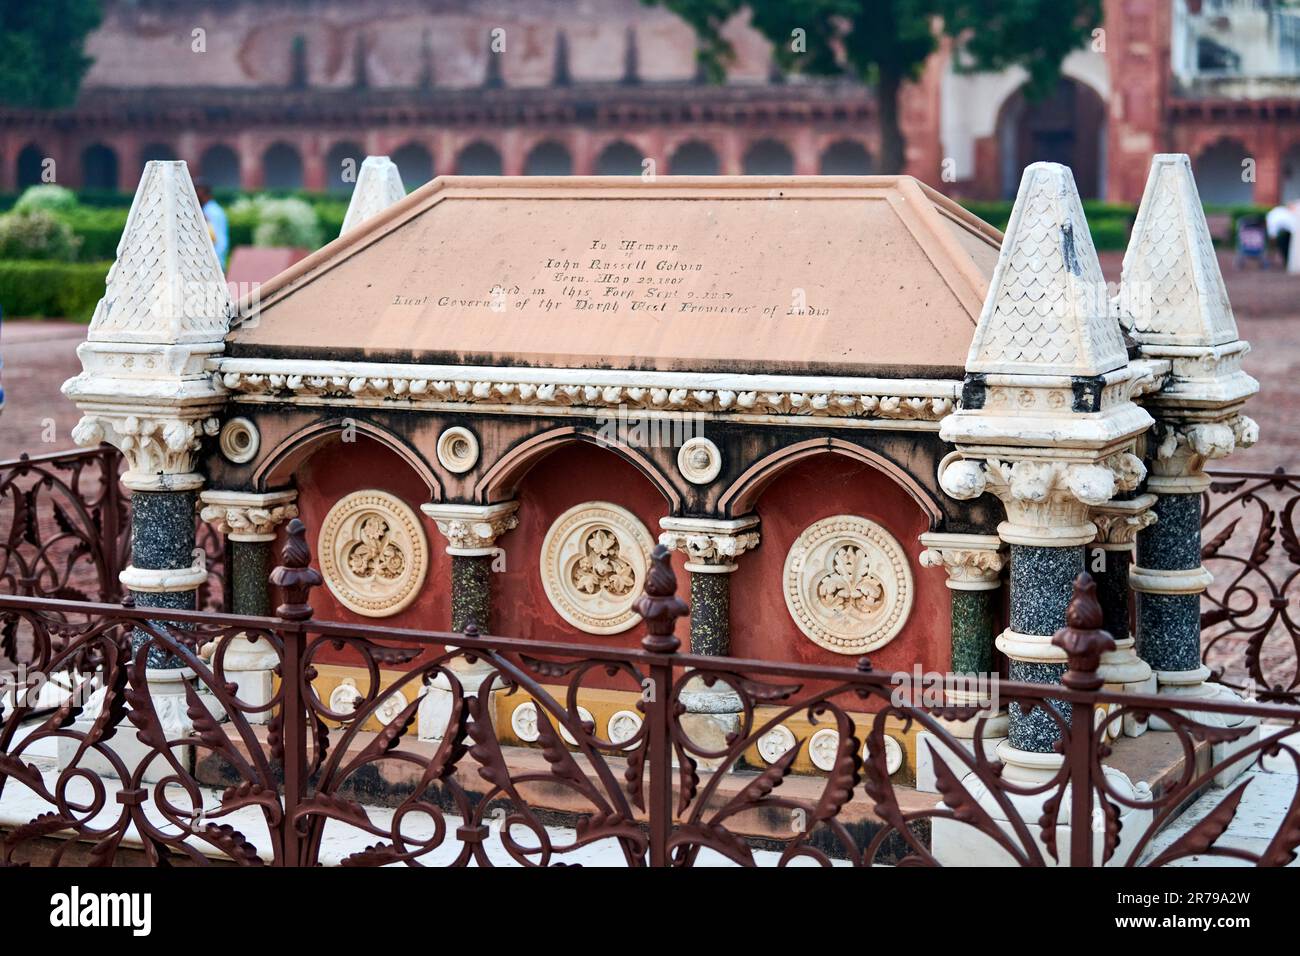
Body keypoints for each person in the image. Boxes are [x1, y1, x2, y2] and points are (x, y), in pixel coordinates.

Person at [194, 178, 229, 268]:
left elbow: (220, 241)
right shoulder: (206, 210)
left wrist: (214, 263)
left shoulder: (213, 212)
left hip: (213, 266)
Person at [1266, 202, 1295, 270]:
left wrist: (1271, 252)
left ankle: (1288, 263)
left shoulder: (1271, 216)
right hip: (1292, 230)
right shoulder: (1283, 211)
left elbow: (1272, 236)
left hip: (1291, 230)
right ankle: (1288, 262)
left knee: (1283, 245)